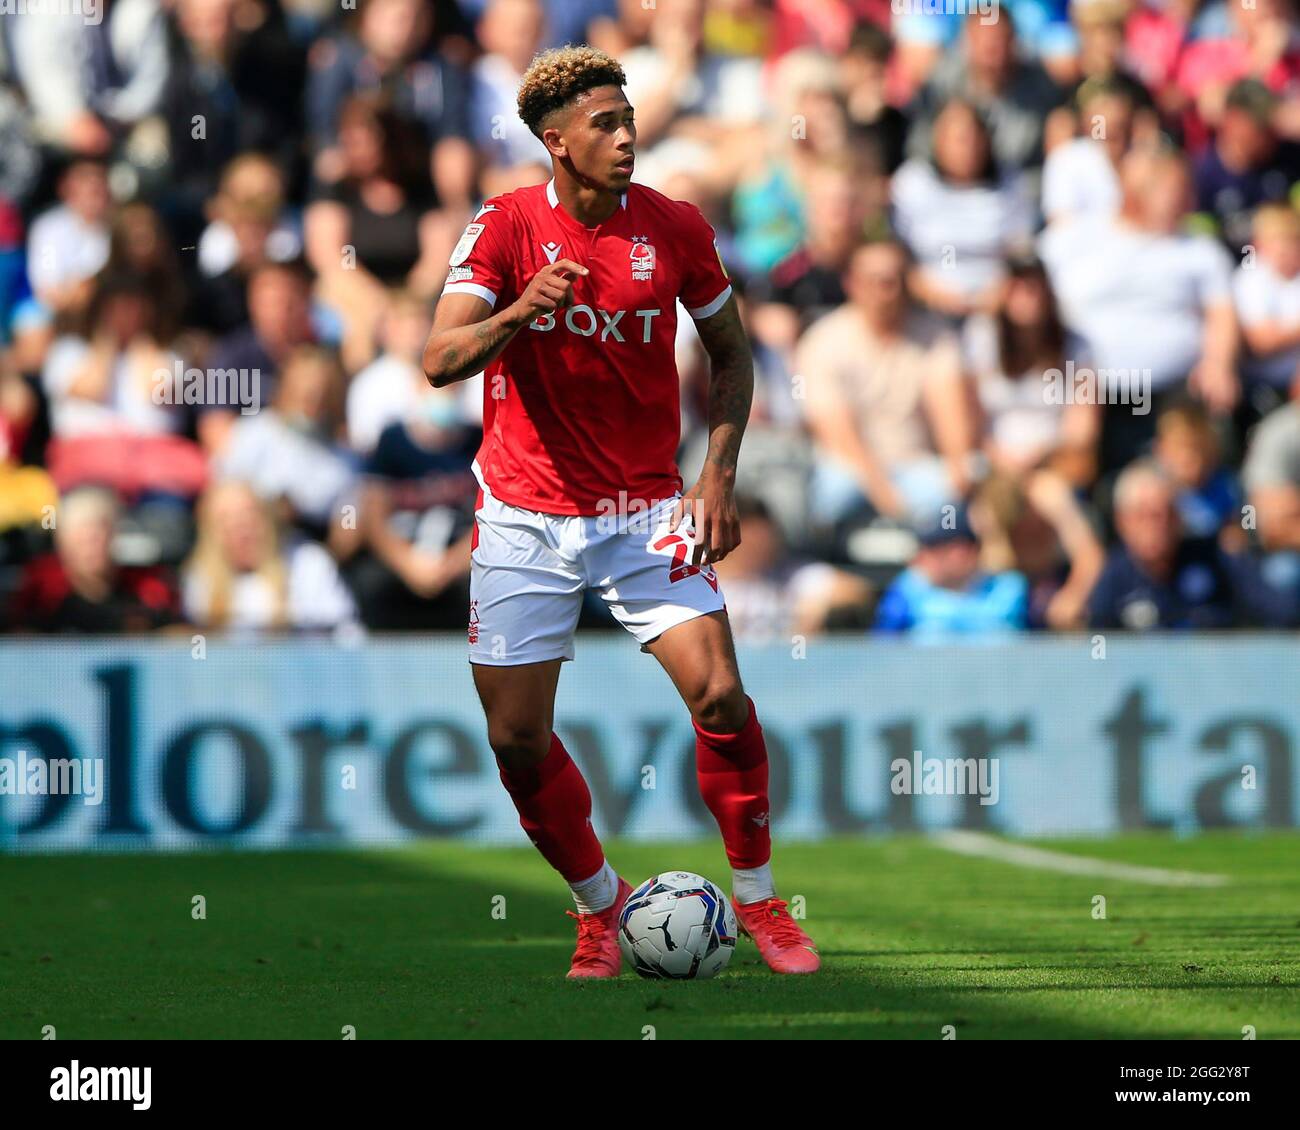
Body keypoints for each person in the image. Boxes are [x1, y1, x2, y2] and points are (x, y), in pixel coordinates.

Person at [423, 45, 818, 977]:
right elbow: (439, 360)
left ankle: (761, 906)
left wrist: (715, 472)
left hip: (644, 509)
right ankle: (599, 910)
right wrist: (521, 308)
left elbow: (732, 354)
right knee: (516, 738)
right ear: (556, 142)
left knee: (720, 691)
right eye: (605, 123)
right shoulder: (504, 227)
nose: (627, 134)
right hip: (524, 514)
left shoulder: (676, 226)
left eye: (628, 116)